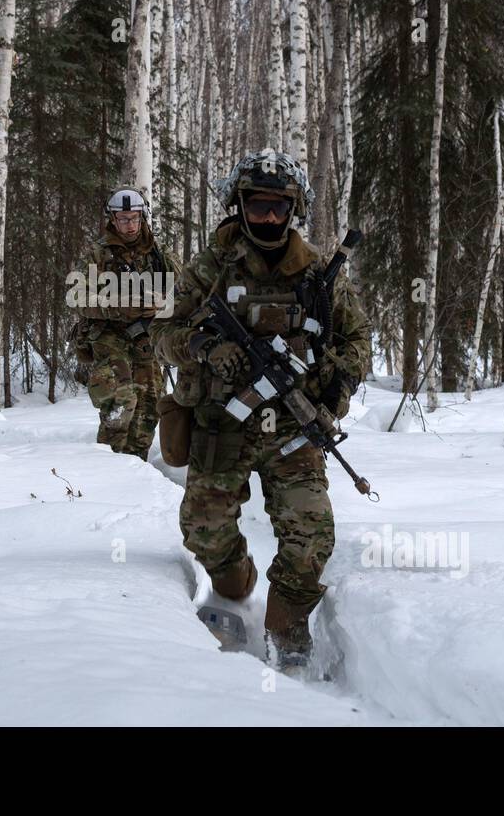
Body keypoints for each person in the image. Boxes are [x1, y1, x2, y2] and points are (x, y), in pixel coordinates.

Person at [150, 149, 372, 669]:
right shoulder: (210, 267)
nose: (268, 218)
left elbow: (358, 336)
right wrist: (204, 348)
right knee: (205, 531)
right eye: (258, 207)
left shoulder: (319, 271)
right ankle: (236, 589)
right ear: (240, 206)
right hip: (221, 422)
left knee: (311, 537)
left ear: (293, 209)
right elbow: (162, 334)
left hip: (293, 427)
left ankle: (286, 630)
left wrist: (335, 382)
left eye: (278, 208)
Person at [70, 188, 180, 460]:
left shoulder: (158, 253)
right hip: (109, 337)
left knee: (149, 407)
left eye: (134, 219)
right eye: (123, 219)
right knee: (120, 400)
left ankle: (135, 469)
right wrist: (119, 305)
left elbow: (186, 290)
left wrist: (161, 302)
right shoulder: (99, 253)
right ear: (113, 220)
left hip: (146, 338)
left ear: (143, 218)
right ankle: (108, 465)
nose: (129, 225)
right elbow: (77, 297)